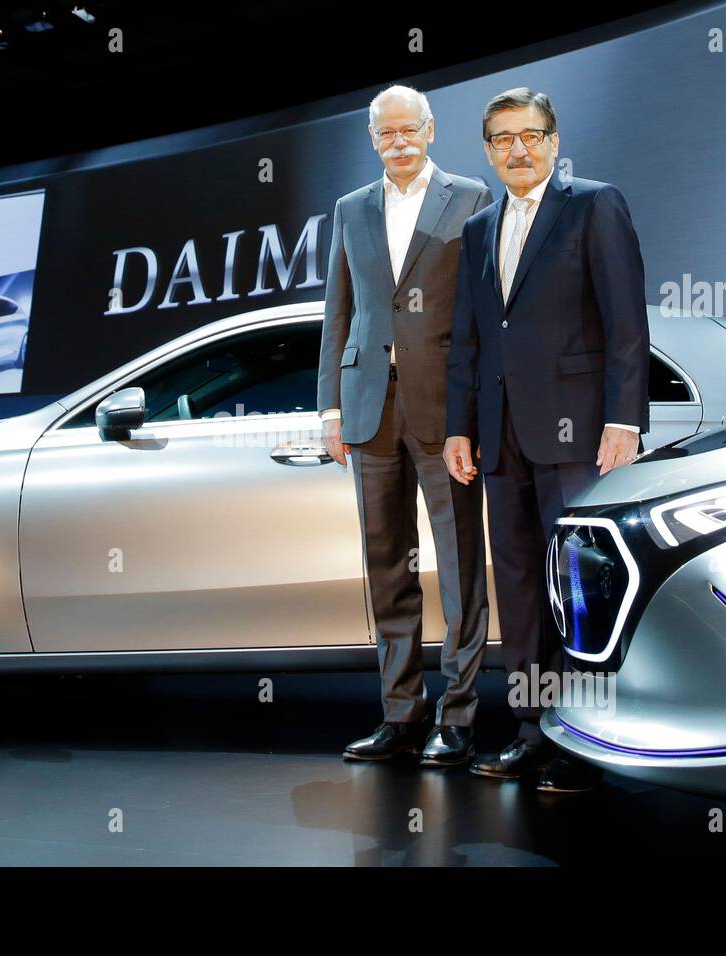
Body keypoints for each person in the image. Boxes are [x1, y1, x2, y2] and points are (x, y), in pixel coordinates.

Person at [444, 88, 650, 792]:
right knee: (523, 594)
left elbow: (627, 323)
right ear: (488, 151)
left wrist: (625, 420)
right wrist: (458, 428)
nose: (517, 150)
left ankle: (587, 743)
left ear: (555, 142)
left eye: (530, 135)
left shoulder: (595, 205)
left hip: (580, 438)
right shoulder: (477, 230)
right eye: (502, 139)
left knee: (582, 595)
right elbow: (469, 341)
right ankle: (533, 732)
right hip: (501, 441)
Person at [318, 84, 494, 767]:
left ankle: (459, 718)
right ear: (372, 140)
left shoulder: (470, 196)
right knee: (385, 567)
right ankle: (400, 714)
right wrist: (331, 407)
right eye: (384, 133)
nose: (397, 141)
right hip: (369, 411)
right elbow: (339, 311)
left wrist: (475, 412)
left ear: (429, 129)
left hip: (445, 411)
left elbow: (483, 312)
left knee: (459, 570)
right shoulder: (349, 210)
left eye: (407, 129)